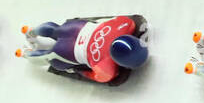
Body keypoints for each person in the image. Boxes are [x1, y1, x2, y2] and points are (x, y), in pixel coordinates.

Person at [17, 15, 148, 83]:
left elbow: (115, 19)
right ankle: (26, 54)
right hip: (69, 51)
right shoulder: (106, 67)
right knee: (50, 57)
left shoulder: (126, 24)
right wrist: (76, 70)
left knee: (56, 30)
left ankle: (31, 30)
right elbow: (97, 76)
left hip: (78, 28)